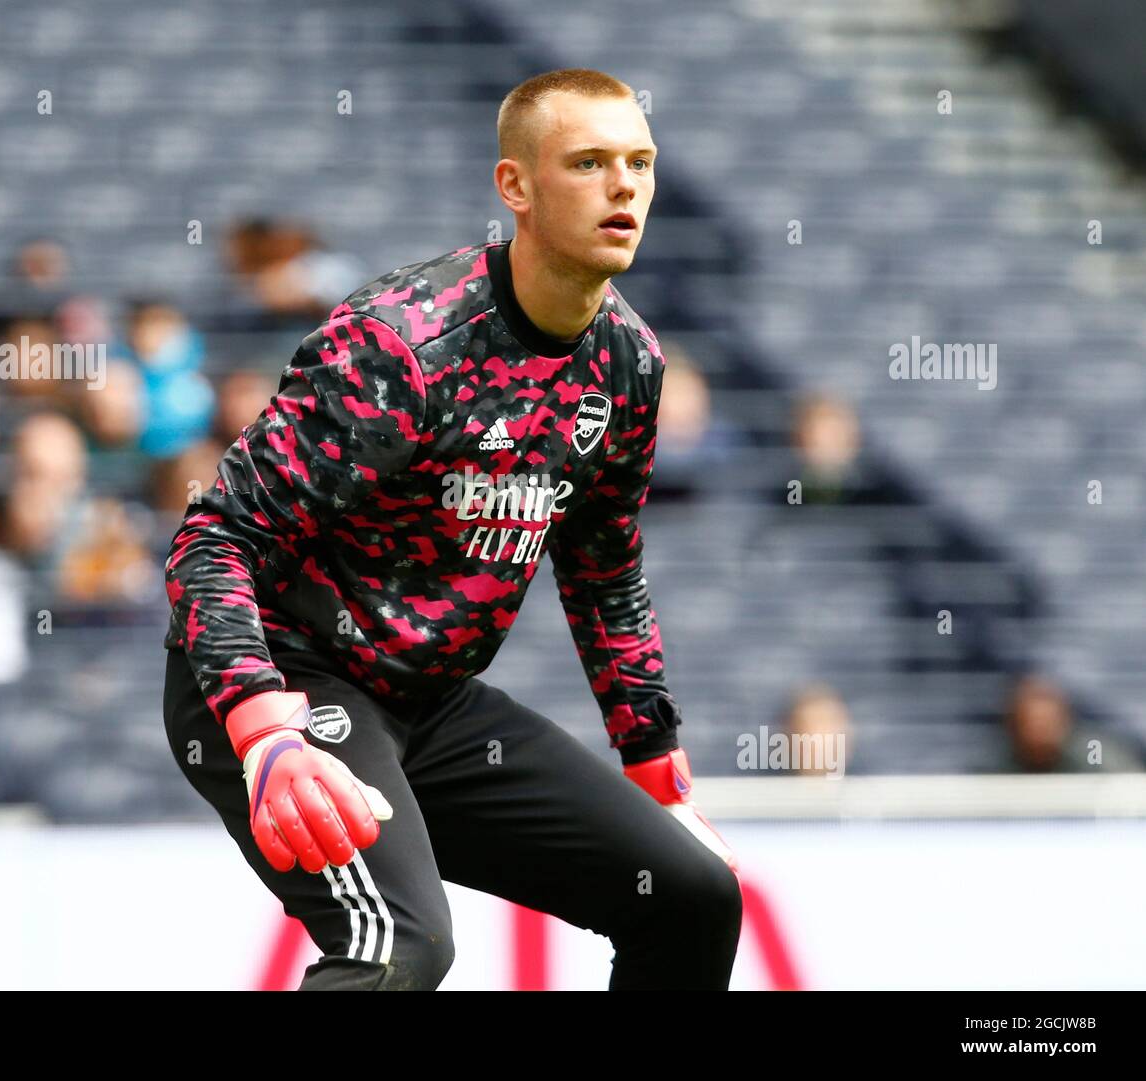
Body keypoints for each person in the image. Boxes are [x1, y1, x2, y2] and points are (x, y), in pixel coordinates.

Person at [162, 68, 742, 991]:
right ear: (515, 186)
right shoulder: (404, 344)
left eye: (640, 162)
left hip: (430, 704)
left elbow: (604, 570)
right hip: (290, 678)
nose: (624, 185)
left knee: (691, 895)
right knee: (397, 946)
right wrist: (264, 726)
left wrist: (654, 764)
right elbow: (215, 537)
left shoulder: (629, 362)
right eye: (589, 163)